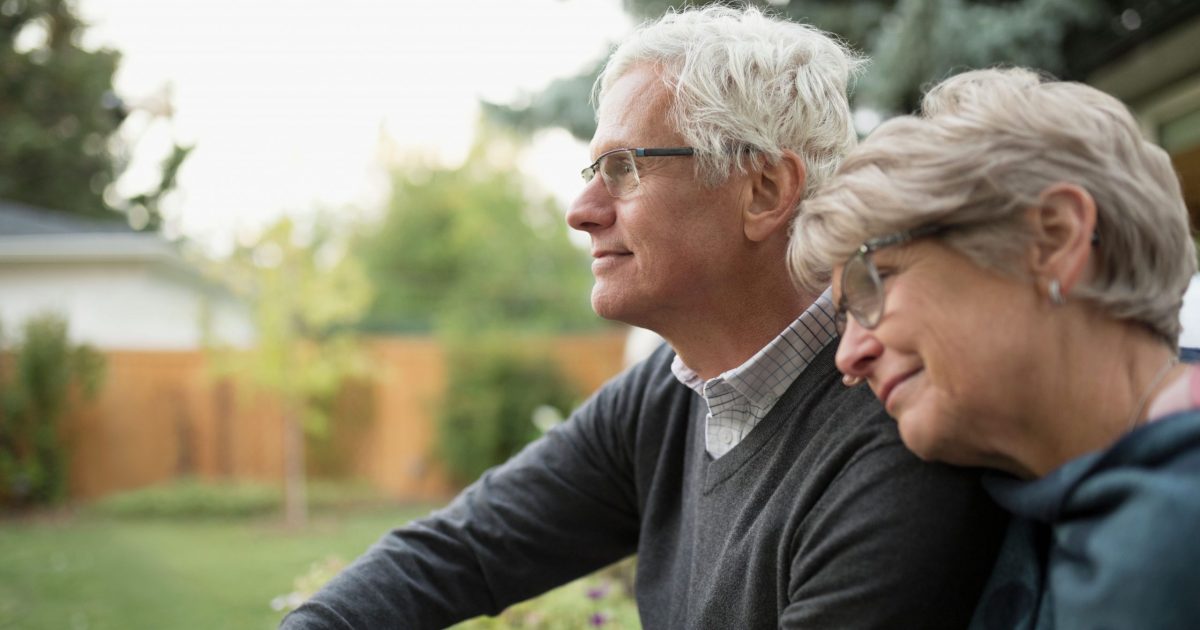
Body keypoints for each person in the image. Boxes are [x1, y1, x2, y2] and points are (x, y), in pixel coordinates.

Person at [282, 8, 1004, 629]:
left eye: (625, 168)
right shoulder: (670, 391)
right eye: (591, 172)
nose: (582, 211)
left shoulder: (893, 448)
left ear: (763, 189)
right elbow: (463, 550)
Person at [789, 67, 1200, 629]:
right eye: (841, 321)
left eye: (871, 284)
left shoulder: (1174, 535)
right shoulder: (1027, 513)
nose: (847, 357)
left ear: (1051, 239)